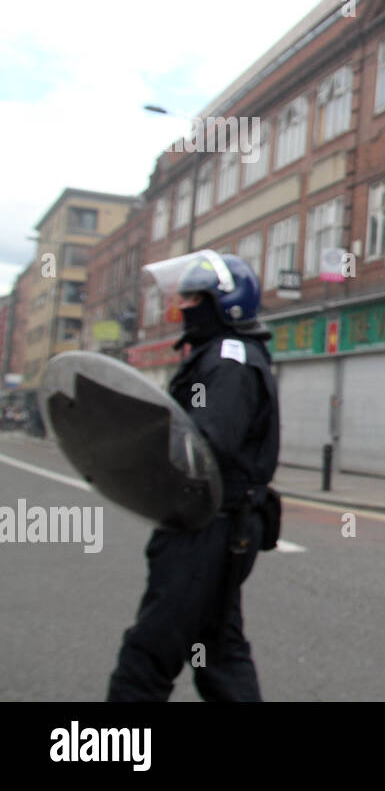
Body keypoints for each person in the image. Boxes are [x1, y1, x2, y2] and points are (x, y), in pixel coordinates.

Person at [107, 250, 280, 702]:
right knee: (217, 651)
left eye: (192, 297)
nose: (181, 306)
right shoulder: (218, 353)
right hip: (218, 525)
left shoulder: (227, 360)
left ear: (225, 302)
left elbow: (206, 444)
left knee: (150, 651)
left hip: (209, 527)